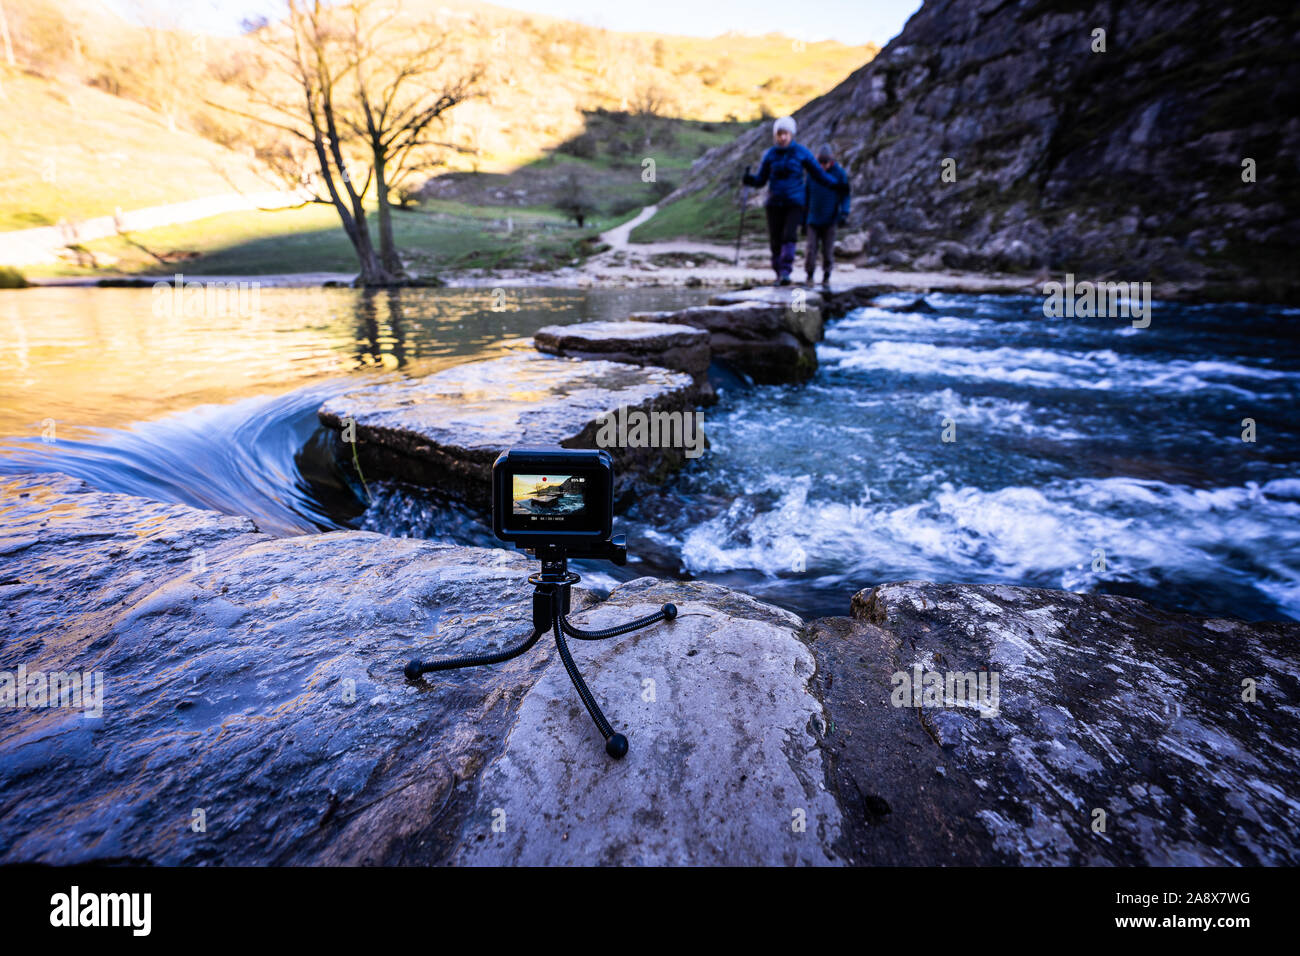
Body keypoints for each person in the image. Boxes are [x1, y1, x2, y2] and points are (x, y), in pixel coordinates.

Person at [742, 116, 850, 286]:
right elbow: (761, 180)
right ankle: (778, 273)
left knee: (789, 236)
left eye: (785, 133)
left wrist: (837, 185)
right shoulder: (770, 154)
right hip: (774, 202)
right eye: (779, 134)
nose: (782, 137)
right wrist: (750, 180)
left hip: (794, 202)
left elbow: (818, 174)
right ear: (775, 136)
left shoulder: (801, 152)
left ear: (791, 134)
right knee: (775, 240)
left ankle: (785, 272)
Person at [803, 144, 851, 289]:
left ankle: (826, 277)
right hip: (813, 219)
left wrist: (844, 212)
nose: (823, 166)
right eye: (820, 163)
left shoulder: (839, 174)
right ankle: (810, 275)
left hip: (830, 219)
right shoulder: (812, 174)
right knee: (811, 249)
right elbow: (806, 196)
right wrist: (802, 220)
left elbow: (845, 195)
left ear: (831, 161)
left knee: (828, 250)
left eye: (826, 163)